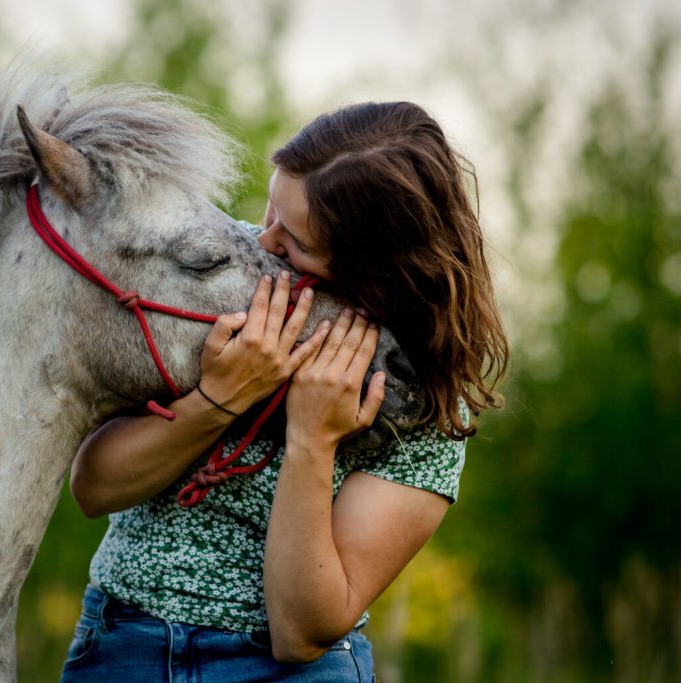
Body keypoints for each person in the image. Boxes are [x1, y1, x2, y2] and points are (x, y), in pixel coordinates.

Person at [60, 101, 509, 682]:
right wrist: (218, 400)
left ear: (371, 270)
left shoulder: (426, 397)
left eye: (294, 238)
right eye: (273, 206)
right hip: (123, 650)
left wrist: (314, 440)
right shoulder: (214, 275)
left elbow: (300, 634)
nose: (263, 241)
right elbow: (93, 488)